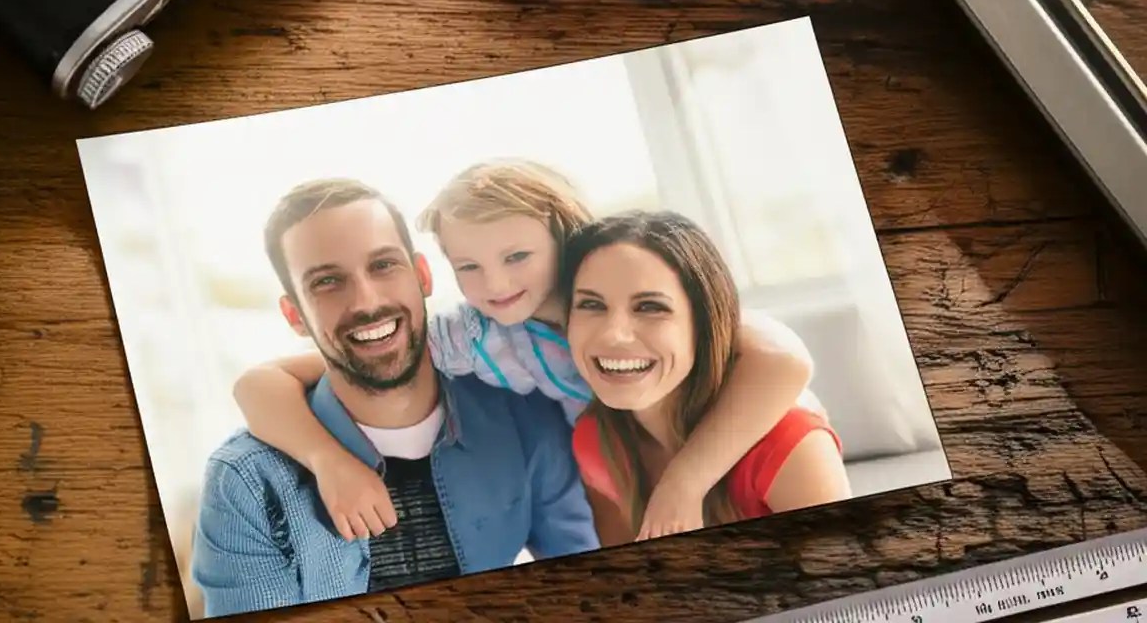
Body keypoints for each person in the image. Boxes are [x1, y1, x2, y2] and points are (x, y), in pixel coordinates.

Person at [231, 158, 818, 544]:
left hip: (720, 438)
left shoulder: (624, 286)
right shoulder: (478, 335)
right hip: (612, 464)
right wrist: (329, 461)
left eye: (516, 258)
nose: (494, 284)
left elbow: (784, 360)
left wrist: (685, 482)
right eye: (469, 267)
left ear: (561, 237)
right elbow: (261, 381)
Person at [189, 178, 598, 617]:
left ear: (421, 275)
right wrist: (327, 460)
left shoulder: (526, 417)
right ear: (295, 317)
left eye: (383, 266)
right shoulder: (246, 483)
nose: (367, 302)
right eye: (327, 281)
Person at [562, 210, 852, 543]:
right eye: (591, 304)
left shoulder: (790, 445)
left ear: (702, 326)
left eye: (650, 307)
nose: (613, 335)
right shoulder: (597, 441)